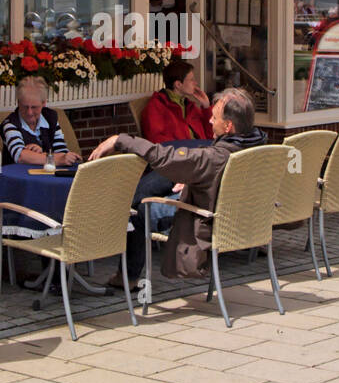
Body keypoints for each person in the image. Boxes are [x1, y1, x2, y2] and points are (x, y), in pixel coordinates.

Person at [89, 88, 266, 280]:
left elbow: (165, 157)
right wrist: (195, 181)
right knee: (162, 182)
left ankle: (128, 278)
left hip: (201, 218)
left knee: (138, 210)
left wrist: (120, 140)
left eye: (214, 118)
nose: (210, 121)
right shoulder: (259, 148)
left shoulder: (216, 158)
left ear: (228, 126)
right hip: (235, 218)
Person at [0, 76, 79, 166]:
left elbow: (62, 152)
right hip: (17, 176)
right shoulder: (10, 124)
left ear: (43, 103)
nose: (29, 112)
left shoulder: (50, 119)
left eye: (34, 107)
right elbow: (20, 156)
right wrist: (53, 159)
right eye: (25, 107)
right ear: (18, 103)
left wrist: (40, 155)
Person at [141, 60, 213, 144]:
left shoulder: (189, 106)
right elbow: (156, 141)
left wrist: (206, 106)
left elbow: (212, 136)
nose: (195, 83)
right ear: (178, 84)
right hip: (184, 154)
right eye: (191, 80)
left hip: (204, 151)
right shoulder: (156, 106)